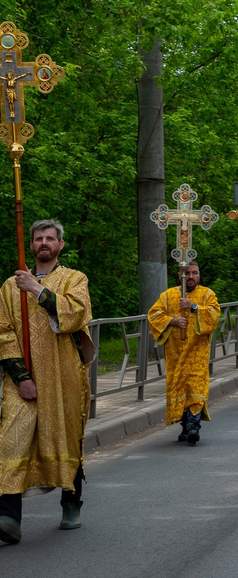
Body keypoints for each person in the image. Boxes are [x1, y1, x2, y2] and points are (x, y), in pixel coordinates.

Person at [0, 220, 93, 542]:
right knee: (10, 440)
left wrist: (37, 289)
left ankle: (71, 502)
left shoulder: (74, 279)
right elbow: (3, 332)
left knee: (67, 435)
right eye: (38, 238)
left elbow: (77, 314)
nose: (43, 243)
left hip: (62, 374)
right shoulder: (9, 287)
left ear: (60, 245)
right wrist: (21, 377)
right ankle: (8, 518)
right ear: (31, 244)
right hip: (20, 380)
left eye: (50, 238)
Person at [147, 261, 220, 445]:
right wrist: (172, 322)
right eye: (187, 273)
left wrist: (193, 307)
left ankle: (194, 427)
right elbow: (153, 315)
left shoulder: (207, 294)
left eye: (195, 273)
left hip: (197, 353)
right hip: (175, 354)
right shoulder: (168, 295)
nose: (191, 277)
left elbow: (213, 316)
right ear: (180, 275)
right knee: (179, 388)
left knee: (195, 388)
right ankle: (185, 426)